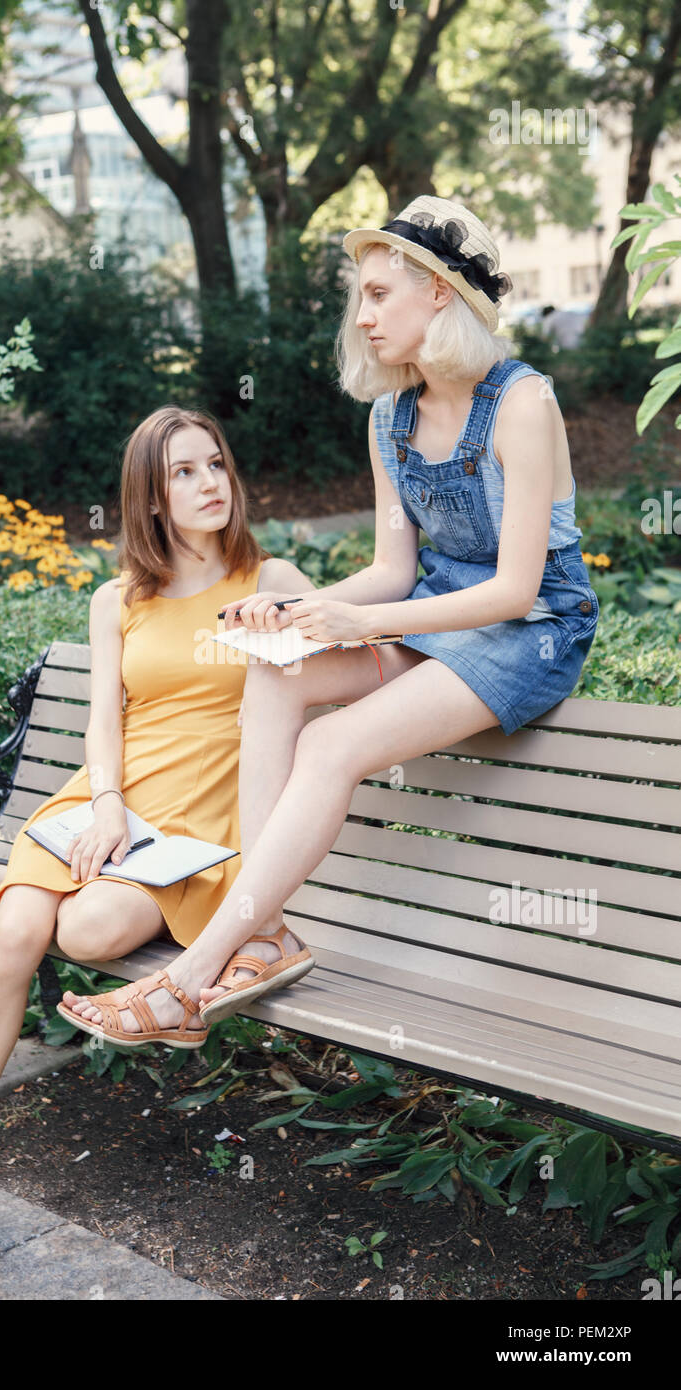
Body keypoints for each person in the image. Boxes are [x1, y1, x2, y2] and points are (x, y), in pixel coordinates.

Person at [101, 193, 600, 1030]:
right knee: (272, 669)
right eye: (359, 297)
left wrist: (365, 625)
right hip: (435, 613)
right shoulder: (389, 419)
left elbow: (517, 590)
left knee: (330, 742)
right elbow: (393, 568)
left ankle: (192, 975)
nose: (361, 316)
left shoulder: (523, 404)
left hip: (533, 631)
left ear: (439, 293)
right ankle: (264, 935)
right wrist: (301, 610)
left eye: (378, 294)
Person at [0, 404, 316, 1283]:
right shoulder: (118, 599)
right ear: (152, 497)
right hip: (106, 809)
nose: (209, 483)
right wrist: (103, 805)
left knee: (85, 934)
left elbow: (311, 694)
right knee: (20, 934)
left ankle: (18, 881)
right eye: (183, 472)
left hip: (199, 827)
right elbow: (105, 723)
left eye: (216, 464)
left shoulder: (270, 573)